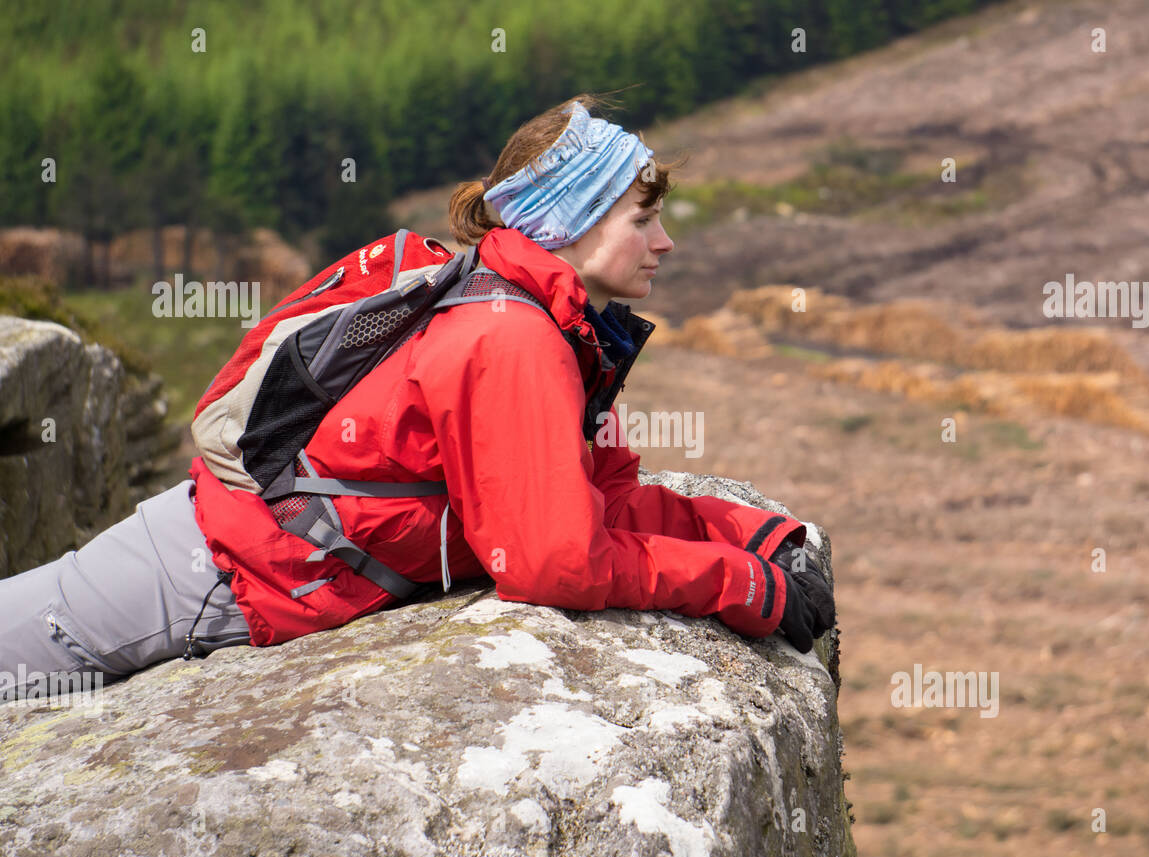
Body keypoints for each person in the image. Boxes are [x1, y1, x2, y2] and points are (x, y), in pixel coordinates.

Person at [0, 94, 834, 702]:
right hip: (217, 569)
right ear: (573, 223)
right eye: (641, 219)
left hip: (233, 540)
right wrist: (748, 588)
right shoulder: (514, 339)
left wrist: (759, 536)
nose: (665, 240)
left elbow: (594, 502)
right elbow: (552, 561)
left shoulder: (555, 320)